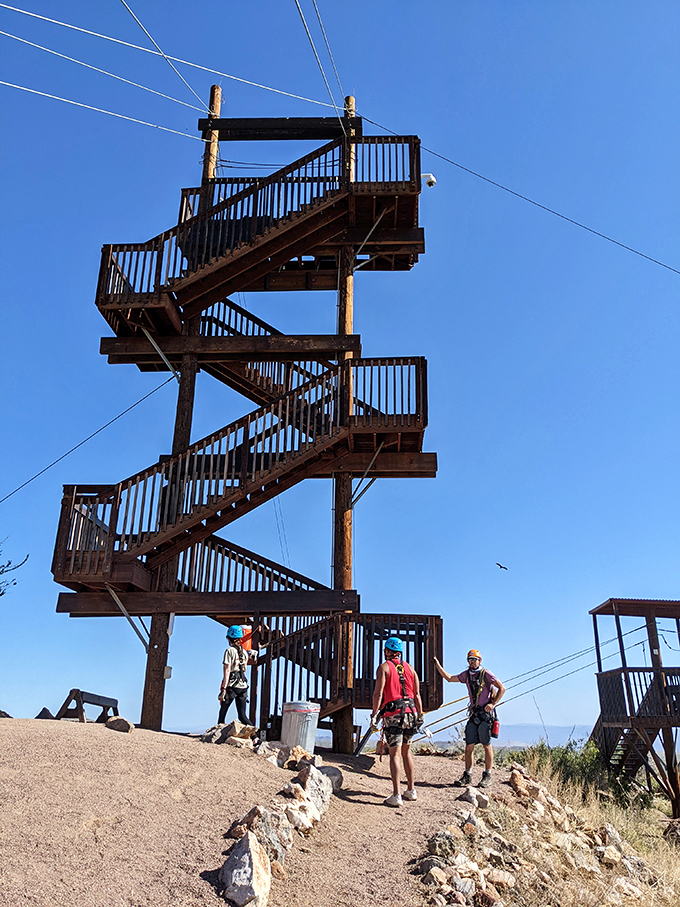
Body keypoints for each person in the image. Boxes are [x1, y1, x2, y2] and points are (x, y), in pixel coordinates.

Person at [434, 649, 505, 788]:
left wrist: (492, 703)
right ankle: (467, 775)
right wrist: (437, 665)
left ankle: (487, 775)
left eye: (474, 659)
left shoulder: (486, 674)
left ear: (480, 660)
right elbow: (449, 678)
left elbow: (502, 688)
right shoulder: (466, 675)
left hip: (485, 716)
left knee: (486, 745)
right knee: (469, 746)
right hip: (474, 714)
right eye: (470, 660)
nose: (472, 662)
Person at [371, 636, 424, 807]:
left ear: (386, 651)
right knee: (406, 752)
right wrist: (420, 714)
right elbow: (416, 694)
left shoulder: (384, 668)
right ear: (399, 652)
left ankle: (396, 795)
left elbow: (378, 693)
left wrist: (374, 714)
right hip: (411, 713)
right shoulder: (410, 668)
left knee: (394, 754)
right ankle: (411, 790)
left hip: (394, 714)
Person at [218, 625, 257, 725]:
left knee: (222, 714)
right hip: (243, 686)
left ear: (228, 638)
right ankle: (255, 737)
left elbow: (227, 672)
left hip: (232, 686)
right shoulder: (244, 652)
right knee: (243, 716)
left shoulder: (229, 651)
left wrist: (223, 689)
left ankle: (218, 737)